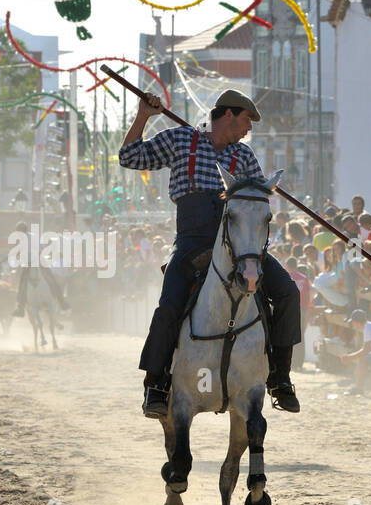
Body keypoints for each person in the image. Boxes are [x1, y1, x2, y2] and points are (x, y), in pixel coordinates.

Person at [119, 89, 301, 416]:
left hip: (239, 243)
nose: (248, 129)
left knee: (288, 291)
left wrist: (264, 192)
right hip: (193, 239)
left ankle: (279, 378)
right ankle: (156, 383)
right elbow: (129, 157)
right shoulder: (180, 140)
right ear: (228, 114)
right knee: (170, 304)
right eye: (246, 120)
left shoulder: (244, 157)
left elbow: (256, 206)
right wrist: (144, 116)